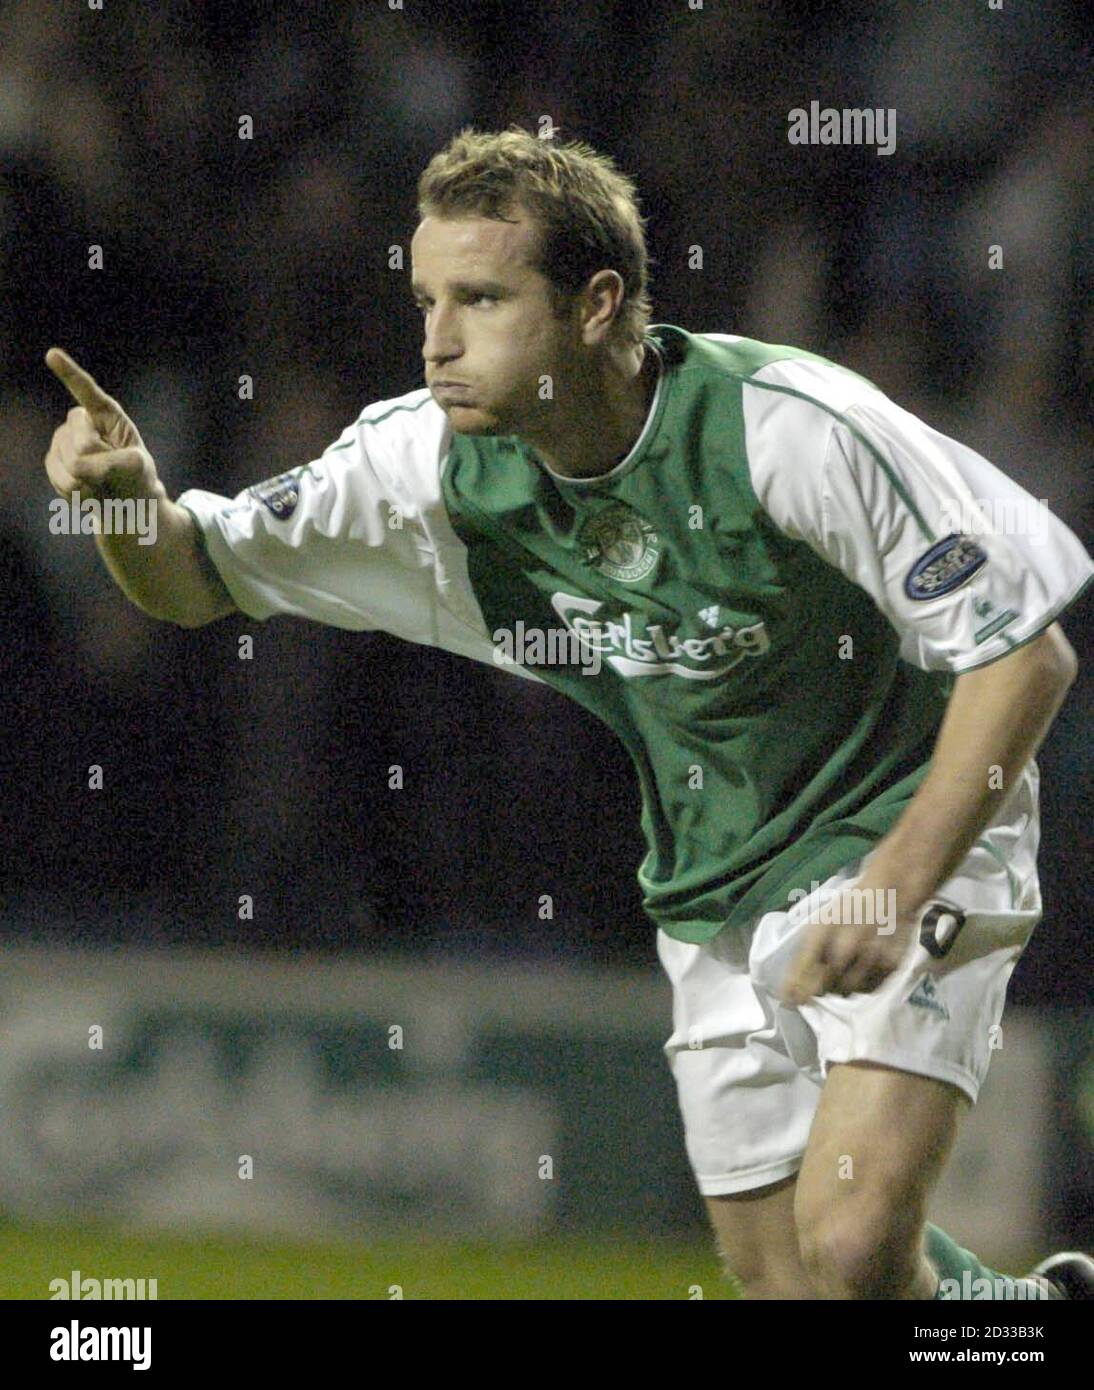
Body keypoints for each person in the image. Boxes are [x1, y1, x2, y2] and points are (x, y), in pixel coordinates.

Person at [43, 125, 1092, 1300]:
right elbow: (192, 576)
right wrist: (127, 502)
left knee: (847, 1245)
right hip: (712, 877)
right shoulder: (423, 466)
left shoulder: (784, 428)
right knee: (790, 1285)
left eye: (481, 299)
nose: (437, 341)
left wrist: (898, 881)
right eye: (426, 300)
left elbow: (1024, 656)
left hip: (912, 821)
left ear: (596, 304)